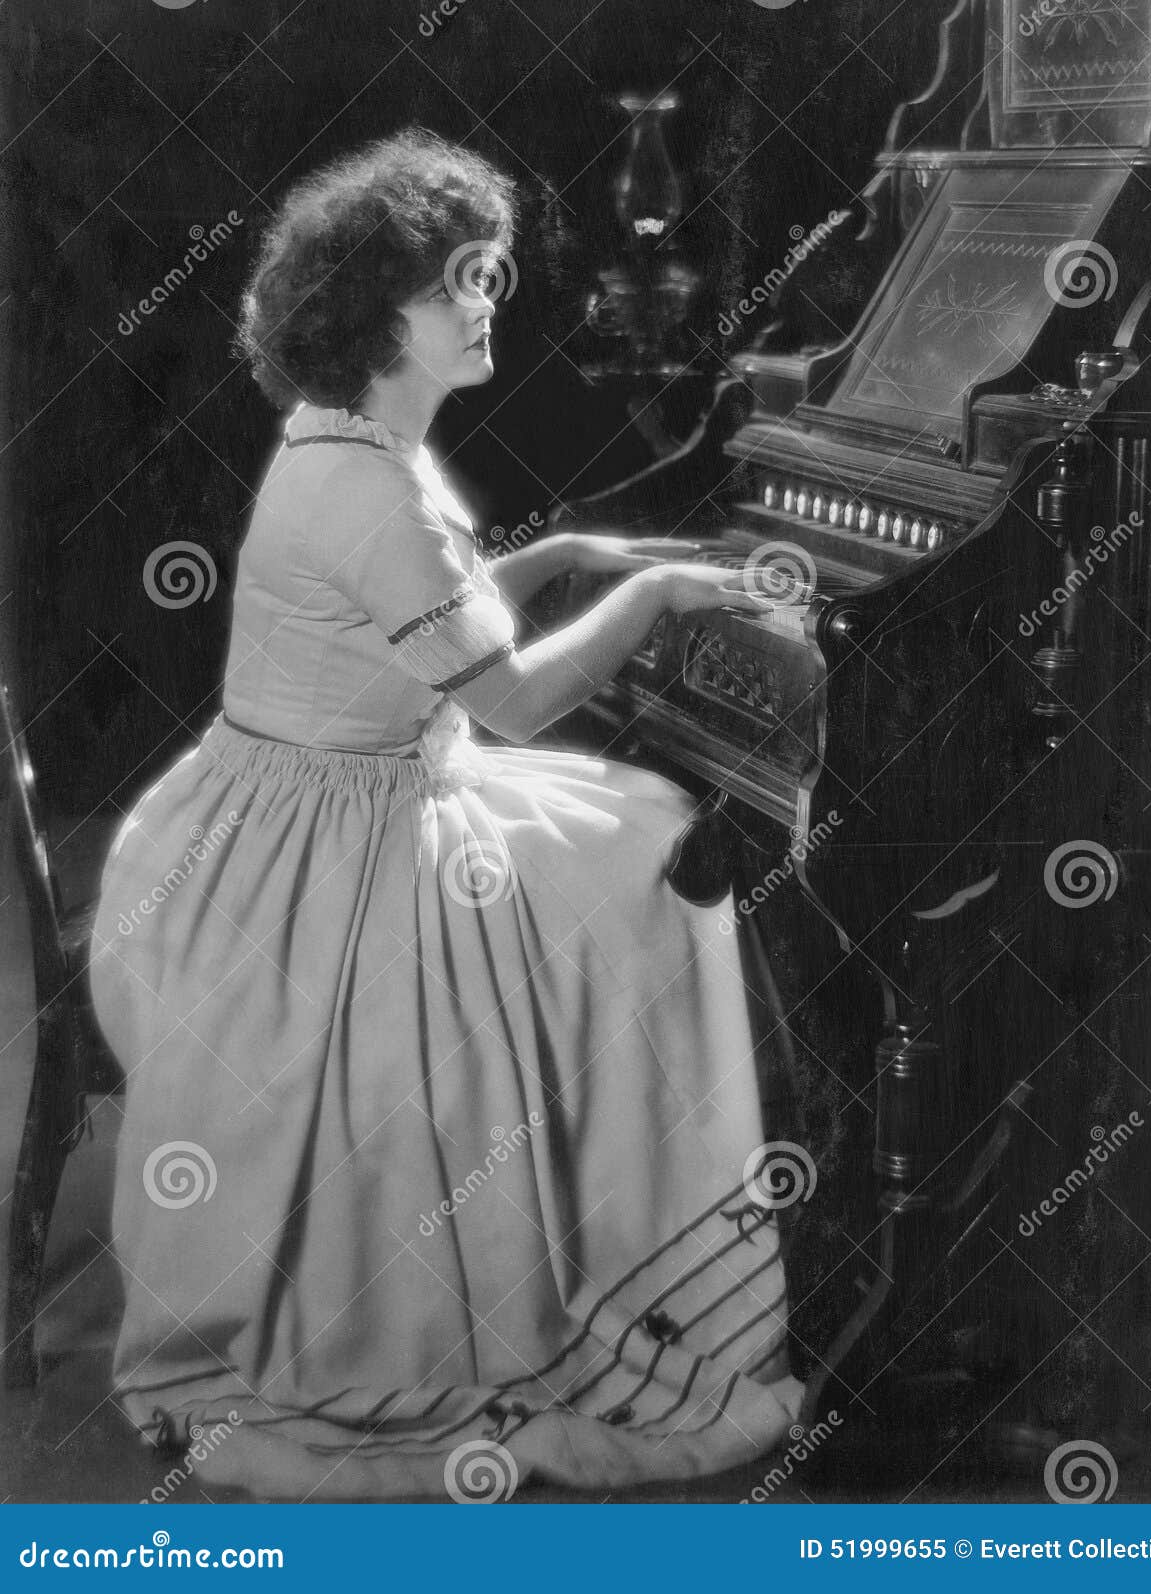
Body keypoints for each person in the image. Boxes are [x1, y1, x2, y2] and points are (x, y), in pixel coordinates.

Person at [88, 127, 805, 1502]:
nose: (489, 302)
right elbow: (518, 702)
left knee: (636, 822)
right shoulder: (374, 492)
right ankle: (641, 1235)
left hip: (303, 800)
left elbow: (430, 614)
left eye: (492, 273)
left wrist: (574, 552)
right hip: (318, 861)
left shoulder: (344, 440)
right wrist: (651, 595)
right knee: (656, 848)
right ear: (376, 315)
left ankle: (639, 1202)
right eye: (461, 282)